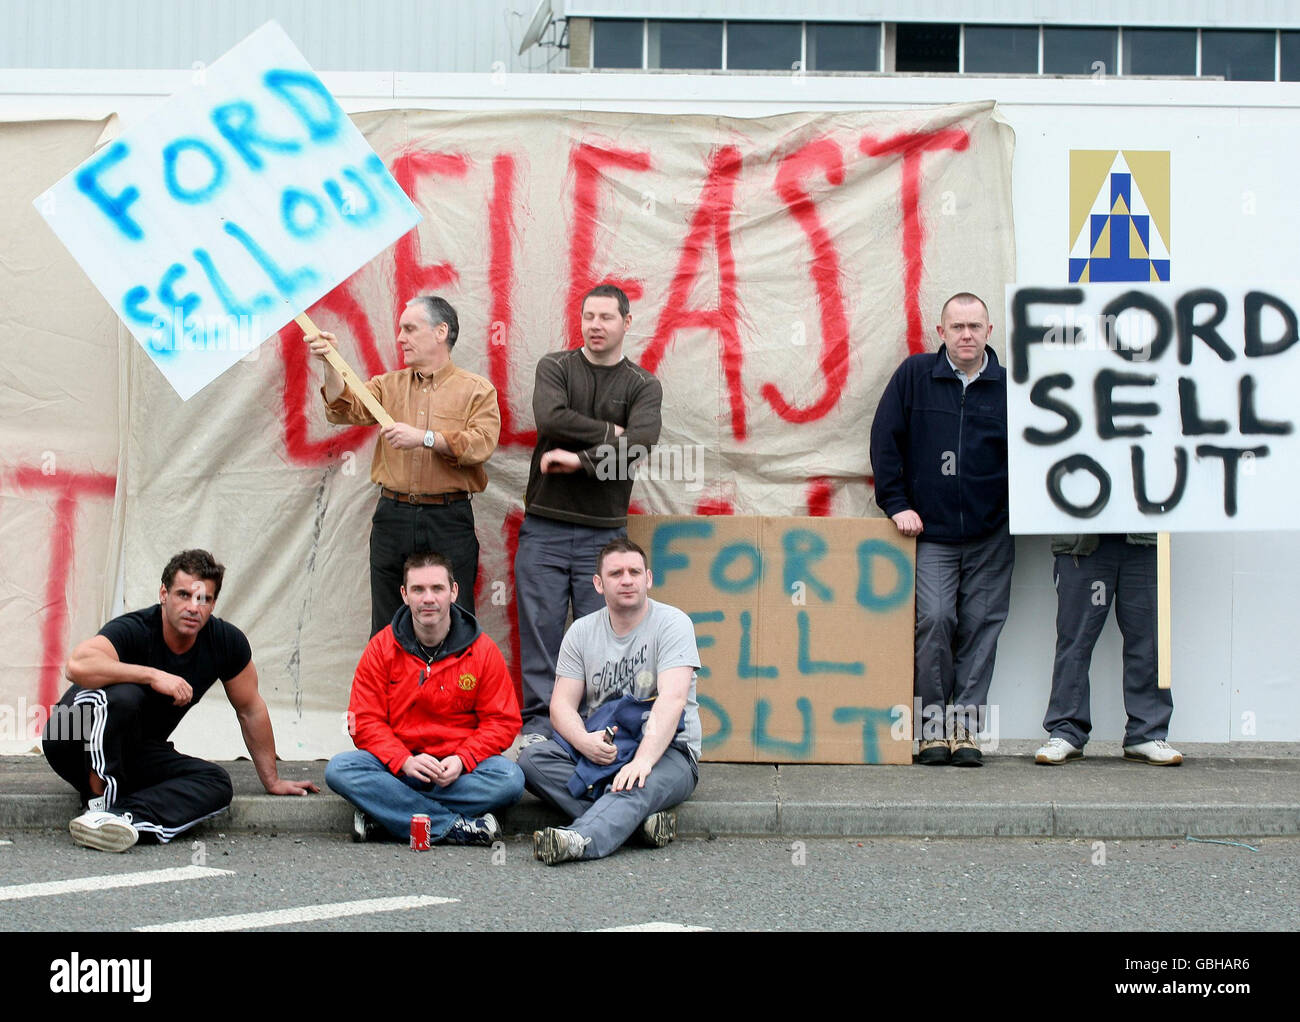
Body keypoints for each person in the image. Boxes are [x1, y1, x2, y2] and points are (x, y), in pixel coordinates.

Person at [42, 550, 318, 852]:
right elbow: (76, 666)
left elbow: (250, 709)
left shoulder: (225, 642)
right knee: (124, 695)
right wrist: (151, 675)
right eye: (183, 595)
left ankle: (123, 817)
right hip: (70, 739)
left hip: (133, 752)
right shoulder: (135, 629)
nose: (193, 608)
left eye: (204, 600)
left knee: (216, 783)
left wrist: (272, 781)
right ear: (164, 594)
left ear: (213, 603)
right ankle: (98, 804)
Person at [869, 292, 1013, 767]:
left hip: (992, 534)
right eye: (957, 327)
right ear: (941, 332)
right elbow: (885, 439)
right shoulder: (915, 376)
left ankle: (966, 733)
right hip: (929, 533)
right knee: (934, 621)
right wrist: (896, 504)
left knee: (981, 629)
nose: (966, 335)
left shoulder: (1009, 387)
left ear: (990, 332)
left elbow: (1030, 457)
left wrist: (1020, 512)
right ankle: (932, 730)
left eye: (975, 326)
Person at [515, 284, 663, 741]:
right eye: (589, 317)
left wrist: (578, 460)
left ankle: (601, 728)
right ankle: (541, 728)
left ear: (626, 322)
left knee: (606, 637)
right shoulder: (555, 366)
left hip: (604, 535)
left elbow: (641, 443)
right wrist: (609, 431)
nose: (596, 326)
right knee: (541, 633)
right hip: (545, 526)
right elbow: (551, 419)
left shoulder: (643, 385)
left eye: (606, 317)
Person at [306, 295, 500, 635]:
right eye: (400, 329)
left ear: (441, 332)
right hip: (392, 517)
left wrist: (425, 438)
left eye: (410, 329)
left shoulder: (476, 391)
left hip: (449, 519)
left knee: (456, 619)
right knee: (387, 623)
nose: (400, 338)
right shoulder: (387, 385)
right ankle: (391, 689)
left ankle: (452, 689)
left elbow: (480, 444)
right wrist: (329, 362)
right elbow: (343, 408)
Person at [519, 538, 700, 865]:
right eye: (616, 573)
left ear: (649, 578)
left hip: (668, 751)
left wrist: (642, 760)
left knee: (636, 782)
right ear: (599, 584)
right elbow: (561, 705)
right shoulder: (581, 631)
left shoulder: (674, 624)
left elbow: (672, 700)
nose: (627, 580)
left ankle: (579, 839)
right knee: (532, 760)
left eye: (634, 571)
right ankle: (637, 824)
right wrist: (583, 741)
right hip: (601, 747)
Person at [325, 551, 525, 844]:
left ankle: (390, 814)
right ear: (405, 595)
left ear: (453, 592)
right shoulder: (380, 648)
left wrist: (463, 759)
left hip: (457, 773)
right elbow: (362, 720)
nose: (427, 598)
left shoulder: (483, 651)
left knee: (510, 779)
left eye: (437, 588)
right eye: (418, 589)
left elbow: (503, 721)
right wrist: (403, 760)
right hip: (399, 769)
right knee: (339, 770)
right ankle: (453, 826)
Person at [1035, 534, 1182, 766]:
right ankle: (1066, 730)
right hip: (1081, 540)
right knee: (1075, 642)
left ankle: (1147, 732)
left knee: (1147, 642)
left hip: (1142, 539)